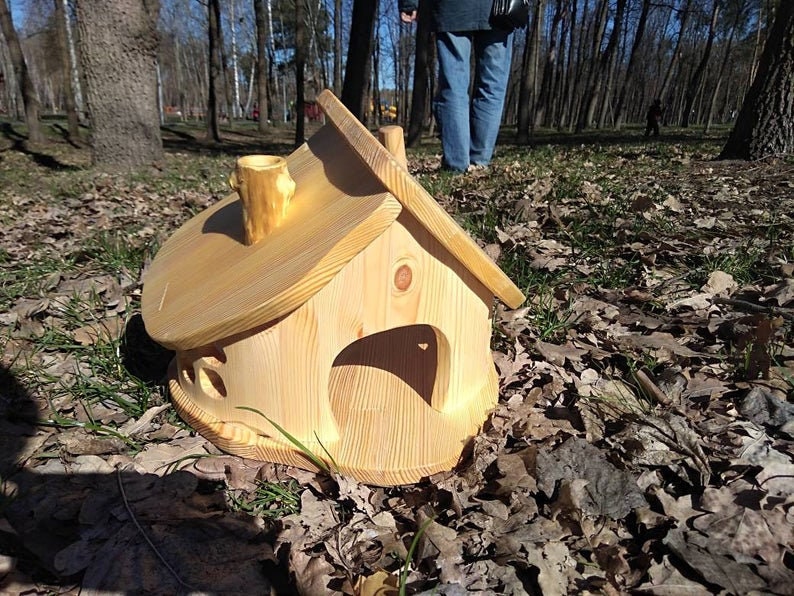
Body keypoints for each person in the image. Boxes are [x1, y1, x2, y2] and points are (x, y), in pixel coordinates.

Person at [399, 0, 514, 173]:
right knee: (492, 87)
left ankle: (457, 165)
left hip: (452, 7)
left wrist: (409, 3)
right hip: (499, 8)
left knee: (454, 84)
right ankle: (479, 163)